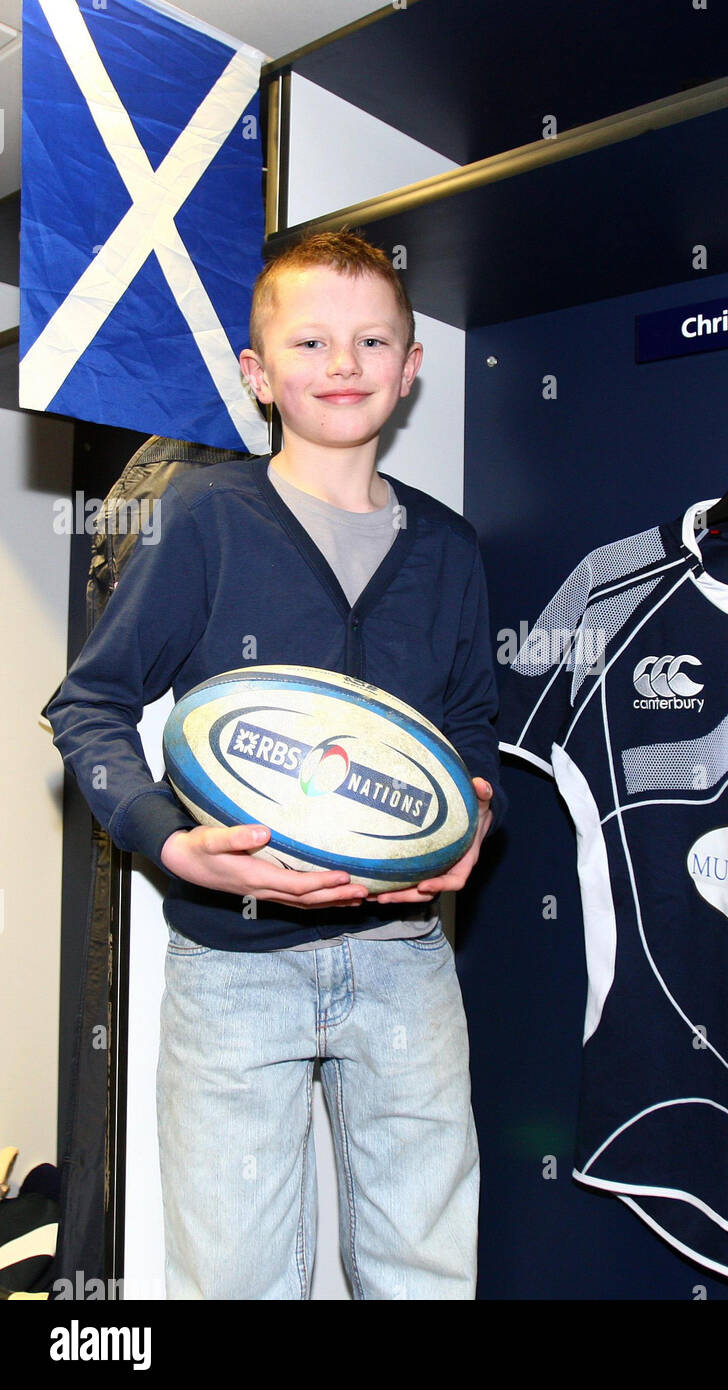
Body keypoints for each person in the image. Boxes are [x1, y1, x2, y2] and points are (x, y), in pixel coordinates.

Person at [45, 230, 505, 1300]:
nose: (341, 364)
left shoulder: (448, 546)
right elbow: (89, 705)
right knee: (235, 1276)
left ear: (409, 367)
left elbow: (471, 727)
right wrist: (174, 849)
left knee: (427, 1265)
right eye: (309, 341)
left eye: (369, 340)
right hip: (231, 970)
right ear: (259, 376)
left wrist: (471, 822)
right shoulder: (206, 516)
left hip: (403, 958)